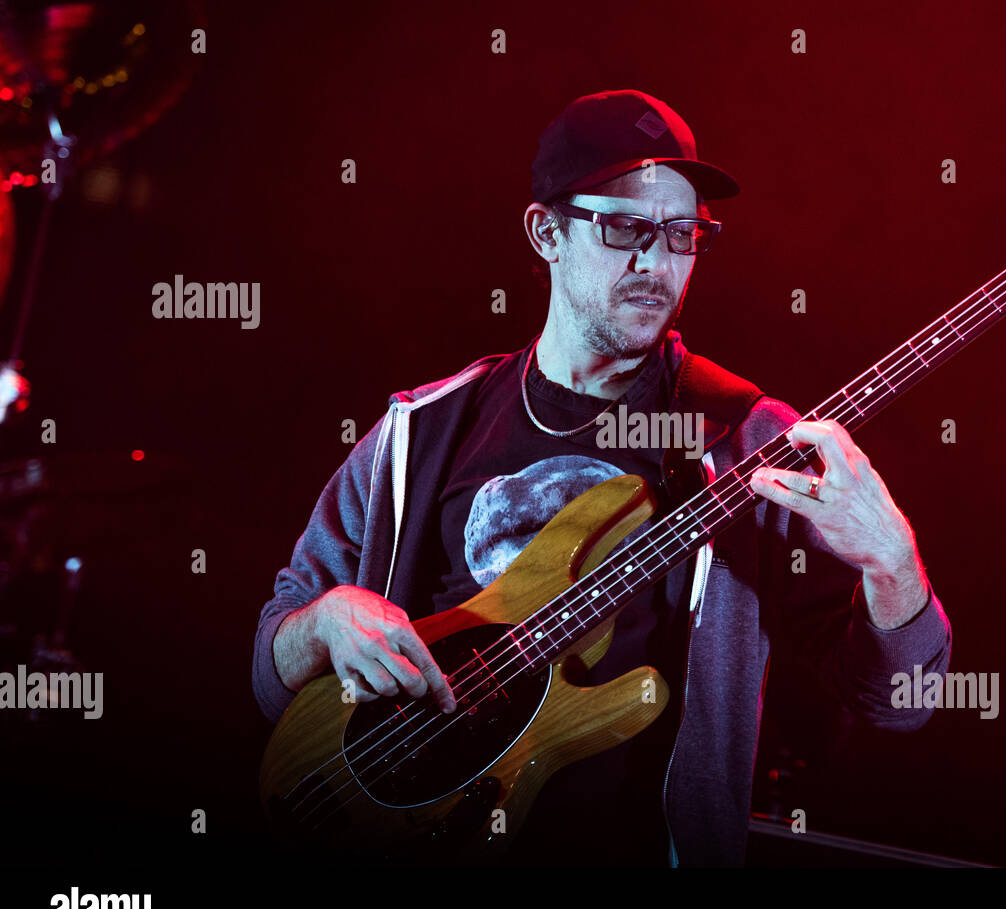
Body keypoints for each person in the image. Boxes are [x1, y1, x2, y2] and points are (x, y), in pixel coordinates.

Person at [253, 89, 952, 867]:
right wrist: (324, 622)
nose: (657, 262)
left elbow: (899, 707)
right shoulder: (420, 431)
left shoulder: (750, 444)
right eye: (623, 227)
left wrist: (895, 568)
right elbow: (273, 670)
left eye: (683, 235)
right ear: (545, 230)